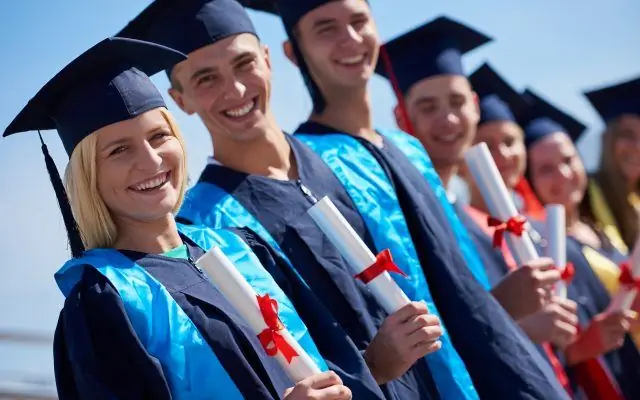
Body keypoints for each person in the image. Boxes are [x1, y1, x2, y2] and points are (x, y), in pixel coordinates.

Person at [2, 36, 368, 400]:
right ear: (88, 177)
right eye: (119, 150)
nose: (151, 161)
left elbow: (339, 367)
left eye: (159, 136)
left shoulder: (241, 249)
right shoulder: (105, 303)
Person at [117, 1, 445, 399]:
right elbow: (259, 366)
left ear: (268, 60)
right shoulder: (204, 228)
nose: (235, 90)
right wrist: (374, 367)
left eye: (244, 64)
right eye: (207, 78)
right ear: (180, 99)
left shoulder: (350, 161)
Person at [242, 2, 570, 398]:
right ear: (293, 52)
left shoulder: (408, 149)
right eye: (326, 28)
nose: (350, 38)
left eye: (359, 21)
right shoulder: (307, 165)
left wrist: (498, 309)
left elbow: (458, 280)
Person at [374, 19, 577, 394]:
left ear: (475, 105)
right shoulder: (399, 221)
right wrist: (507, 314)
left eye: (456, 101)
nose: (448, 119)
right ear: (402, 119)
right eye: (428, 107)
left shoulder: (477, 220)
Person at [519, 88, 640, 399]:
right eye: (546, 169)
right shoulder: (540, 248)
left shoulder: (600, 226)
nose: (563, 174)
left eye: (568, 159)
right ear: (529, 178)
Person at [581, 76, 640, 252]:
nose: (637, 146)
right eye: (627, 134)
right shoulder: (584, 198)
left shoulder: (636, 198)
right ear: (609, 139)